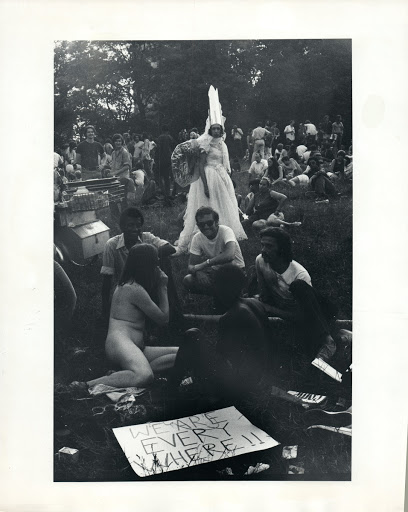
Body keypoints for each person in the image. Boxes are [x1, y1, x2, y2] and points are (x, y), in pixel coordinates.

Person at [74, 245, 179, 390]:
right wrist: (163, 288)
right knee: (144, 376)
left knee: (182, 353)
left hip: (132, 345)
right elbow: (163, 319)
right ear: (146, 266)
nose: (158, 269)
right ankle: (86, 385)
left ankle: (125, 375)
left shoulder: (130, 285)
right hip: (120, 343)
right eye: (155, 264)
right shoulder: (133, 289)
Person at [171, 264, 273, 398]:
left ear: (219, 288)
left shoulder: (231, 316)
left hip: (244, 384)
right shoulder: (255, 303)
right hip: (262, 375)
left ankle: (169, 390)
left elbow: (223, 357)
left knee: (192, 335)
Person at [255, 227, 337, 361]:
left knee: (298, 286)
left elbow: (303, 316)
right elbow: (264, 294)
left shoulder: (299, 274)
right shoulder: (261, 260)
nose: (263, 250)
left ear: (281, 249)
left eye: (269, 246)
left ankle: (328, 340)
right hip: (285, 308)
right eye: (262, 245)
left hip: (314, 312)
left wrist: (270, 309)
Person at [175, 121, 247, 253]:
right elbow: (201, 166)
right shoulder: (206, 144)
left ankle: (223, 235)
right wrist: (205, 186)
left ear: (221, 131)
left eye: (218, 129)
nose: (216, 131)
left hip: (220, 176)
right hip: (208, 175)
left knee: (223, 203)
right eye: (213, 129)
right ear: (210, 130)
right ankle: (204, 237)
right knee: (208, 202)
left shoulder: (222, 144)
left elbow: (224, 163)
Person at [100, 207, 178, 322]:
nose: (135, 229)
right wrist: (105, 310)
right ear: (121, 227)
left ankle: (174, 312)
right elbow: (107, 280)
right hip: (128, 289)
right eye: (130, 225)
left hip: (149, 284)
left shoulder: (146, 237)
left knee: (165, 260)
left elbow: (170, 249)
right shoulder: (111, 245)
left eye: (138, 225)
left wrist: (150, 255)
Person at [183, 207, 245, 297]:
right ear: (198, 225)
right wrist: (198, 272)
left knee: (226, 289)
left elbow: (229, 255)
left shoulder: (226, 231)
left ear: (216, 222)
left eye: (209, 223)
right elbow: (191, 266)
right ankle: (220, 294)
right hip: (216, 271)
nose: (206, 227)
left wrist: (204, 264)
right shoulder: (197, 238)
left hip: (235, 270)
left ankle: (225, 295)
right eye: (201, 224)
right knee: (188, 280)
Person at [155, 125, 176, 204]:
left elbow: (157, 149)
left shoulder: (159, 138)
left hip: (160, 159)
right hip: (168, 159)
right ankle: (168, 193)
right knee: (167, 178)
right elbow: (173, 148)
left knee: (159, 176)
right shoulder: (170, 138)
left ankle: (163, 192)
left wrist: (156, 159)